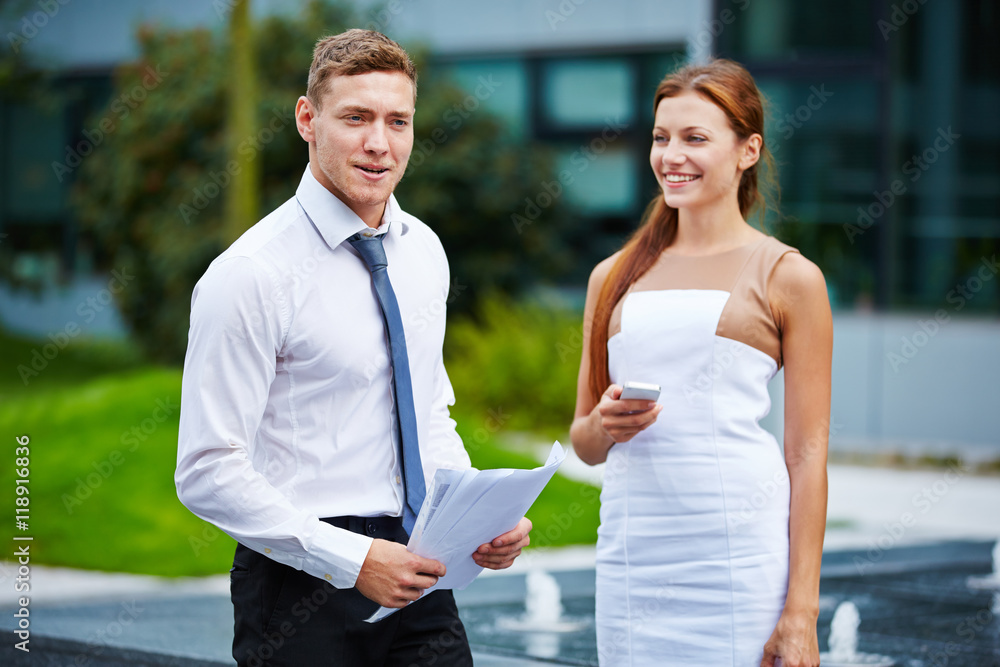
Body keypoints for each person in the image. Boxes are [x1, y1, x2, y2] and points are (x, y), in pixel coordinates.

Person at [175, 29, 531, 667]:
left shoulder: (424, 250)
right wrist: (354, 559)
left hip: (420, 565)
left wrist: (480, 512)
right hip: (296, 582)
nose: (379, 143)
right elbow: (206, 470)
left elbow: (427, 412)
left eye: (399, 120)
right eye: (356, 118)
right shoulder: (249, 274)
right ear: (307, 120)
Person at [570, 59, 831, 667]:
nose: (671, 155)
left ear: (747, 150)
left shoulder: (790, 277)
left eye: (695, 138)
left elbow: (807, 455)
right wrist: (606, 425)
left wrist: (802, 611)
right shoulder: (612, 276)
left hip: (740, 561)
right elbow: (583, 441)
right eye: (661, 138)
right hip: (633, 558)